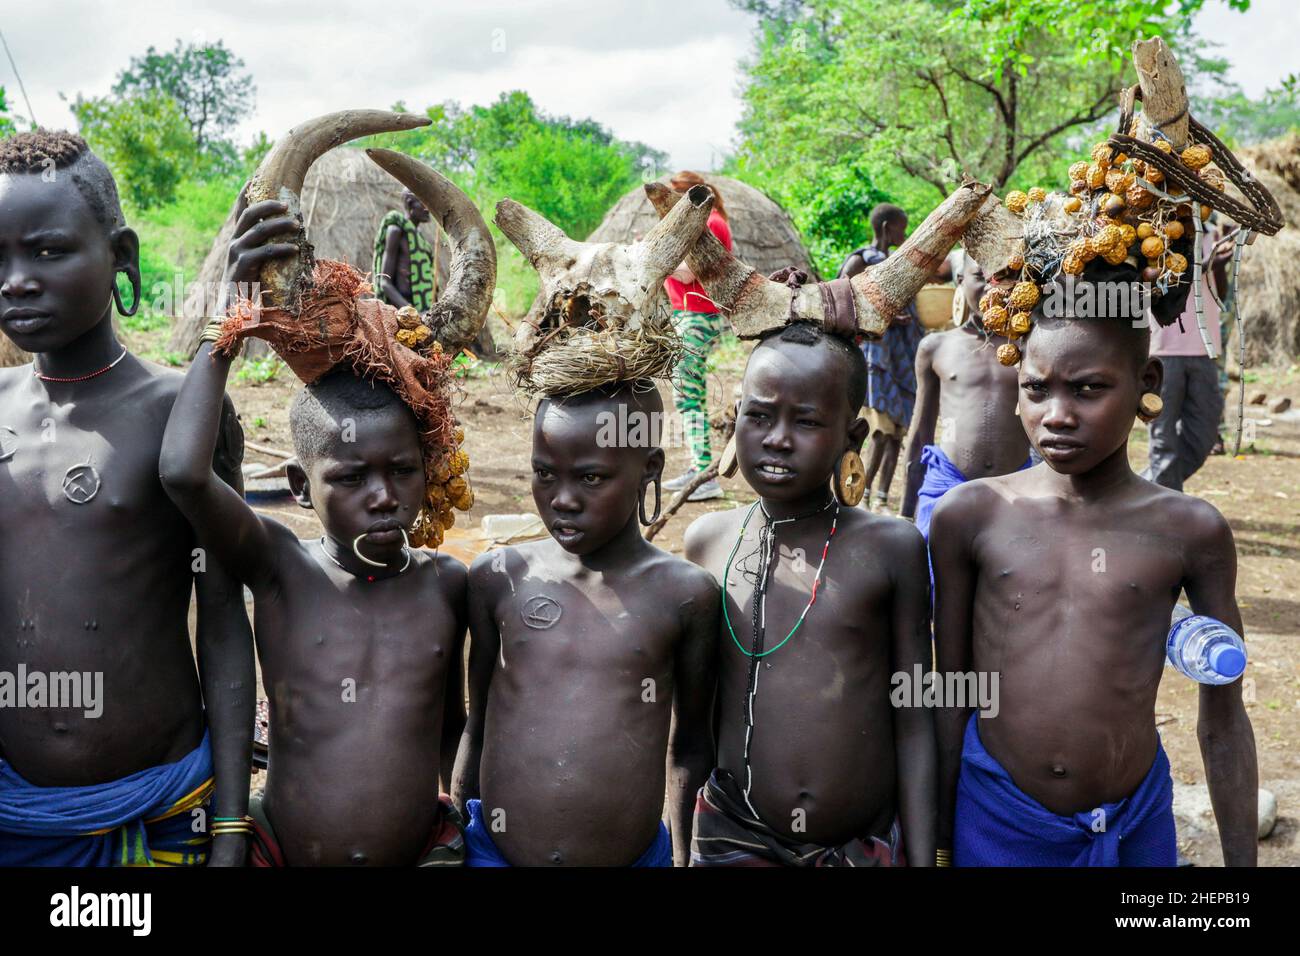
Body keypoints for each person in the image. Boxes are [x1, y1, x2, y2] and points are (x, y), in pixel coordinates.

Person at [159, 196, 468, 866]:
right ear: (301, 488)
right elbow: (183, 472)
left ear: (428, 470)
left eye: (403, 472)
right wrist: (230, 325)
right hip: (283, 850)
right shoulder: (279, 568)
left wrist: (472, 827)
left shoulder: (449, 586)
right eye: (352, 478)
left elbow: (452, 730)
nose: (384, 497)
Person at [932, 261, 1258, 866]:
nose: (1056, 413)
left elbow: (1223, 718)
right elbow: (951, 691)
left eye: (1088, 388)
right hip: (999, 821)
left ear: (1147, 383)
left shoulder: (1190, 529)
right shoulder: (971, 515)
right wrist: (943, 843)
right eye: (1036, 389)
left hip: (1133, 825)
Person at [0, 130, 254, 866]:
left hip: (163, 805)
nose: (16, 279)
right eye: (1, 258)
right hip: (17, 815)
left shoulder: (180, 410)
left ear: (122, 256)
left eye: (47, 251)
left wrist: (232, 825)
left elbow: (225, 620)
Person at [684, 322, 934, 866]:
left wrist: (924, 855)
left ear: (853, 437)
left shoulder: (890, 549)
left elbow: (915, 719)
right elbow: (693, 727)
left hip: (858, 846)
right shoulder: (708, 543)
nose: (777, 437)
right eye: (758, 415)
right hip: (732, 838)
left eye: (806, 421)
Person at [455, 382, 717, 866]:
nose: (564, 499)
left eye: (591, 478)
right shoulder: (500, 579)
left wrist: (685, 858)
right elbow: (480, 722)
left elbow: (691, 745)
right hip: (493, 853)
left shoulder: (685, 595)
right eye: (544, 474)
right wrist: (457, 842)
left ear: (649, 469)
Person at [901, 252, 1033, 541]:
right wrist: (906, 514)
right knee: (933, 576)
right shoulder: (937, 346)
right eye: (980, 277)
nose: (991, 286)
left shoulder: (1029, 347)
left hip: (1017, 488)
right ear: (960, 281)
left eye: (1002, 278)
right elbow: (921, 431)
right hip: (947, 485)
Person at [840, 203, 925, 512]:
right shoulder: (860, 261)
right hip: (877, 358)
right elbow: (846, 302)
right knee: (879, 432)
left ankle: (882, 498)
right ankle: (860, 495)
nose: (904, 234)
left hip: (903, 357)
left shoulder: (898, 262)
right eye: (902, 228)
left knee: (896, 435)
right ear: (887, 226)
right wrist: (885, 315)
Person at [663, 171, 733, 502]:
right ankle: (699, 468)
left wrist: (657, 261)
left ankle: (705, 473)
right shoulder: (705, 221)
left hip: (698, 314)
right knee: (690, 393)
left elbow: (691, 272)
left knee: (687, 393)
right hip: (687, 313)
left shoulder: (710, 223)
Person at [1143, 223, 1229, 491]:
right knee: (1163, 439)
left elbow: (1219, 293)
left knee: (1203, 434)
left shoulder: (1212, 232)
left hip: (1203, 348)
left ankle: (1148, 489)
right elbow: (1147, 281)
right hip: (1163, 350)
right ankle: (1165, 511)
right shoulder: (1154, 232)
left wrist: (1218, 265)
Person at [374, 189, 437, 313]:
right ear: (410, 204)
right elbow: (385, 282)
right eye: (424, 203)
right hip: (400, 313)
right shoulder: (396, 231)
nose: (428, 209)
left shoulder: (422, 241)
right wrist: (411, 312)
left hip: (423, 312)